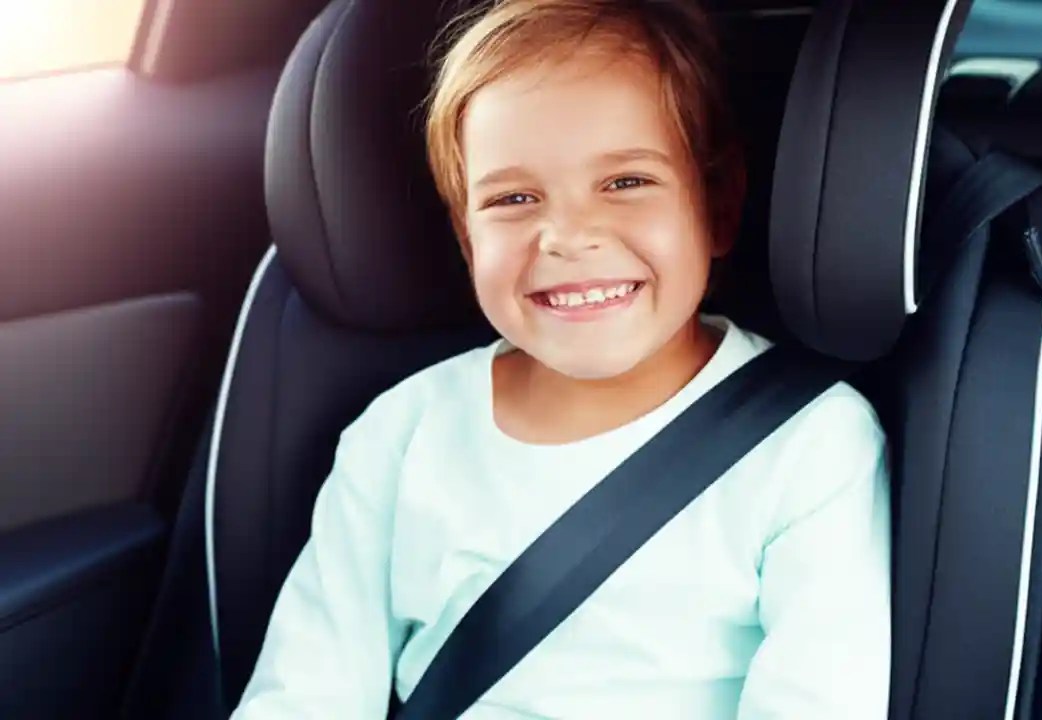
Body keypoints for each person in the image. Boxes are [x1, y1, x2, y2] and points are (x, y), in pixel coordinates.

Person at [231, 1, 889, 717]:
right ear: (465, 235)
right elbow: (307, 693)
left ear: (719, 204)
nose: (567, 236)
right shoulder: (401, 435)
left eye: (625, 183)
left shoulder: (811, 445)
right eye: (513, 198)